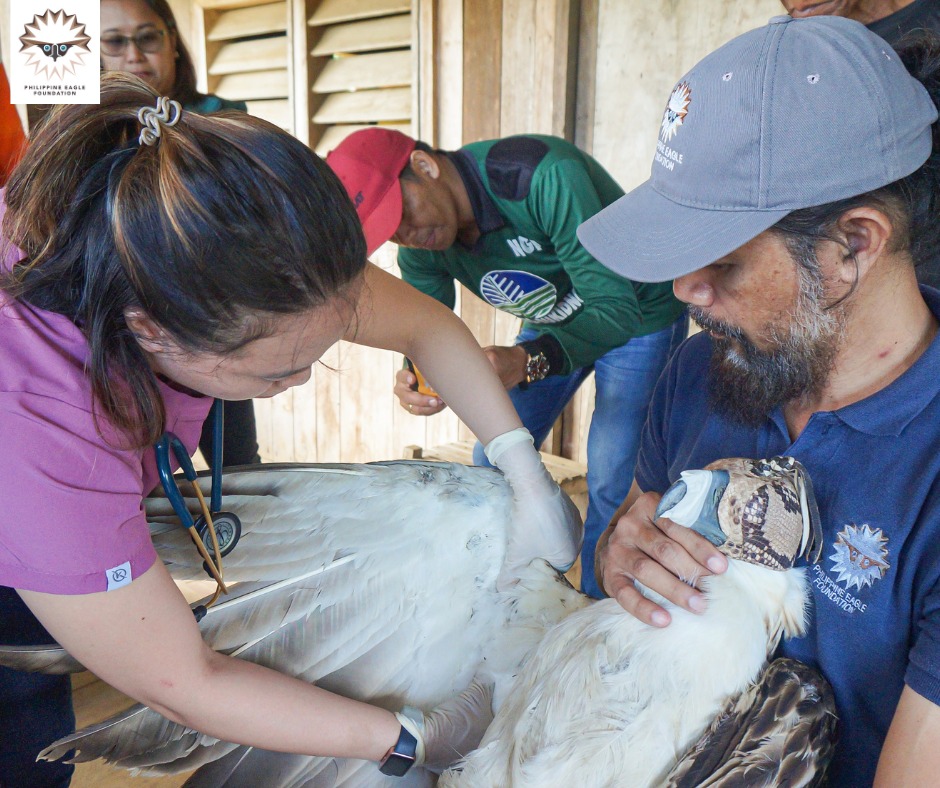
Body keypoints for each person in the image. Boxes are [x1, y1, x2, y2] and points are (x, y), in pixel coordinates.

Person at [0, 74, 581, 785]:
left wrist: (519, 462)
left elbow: (429, 325)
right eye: (274, 375)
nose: (301, 381)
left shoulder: (216, 249)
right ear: (152, 332)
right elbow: (180, 681)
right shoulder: (39, 427)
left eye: (318, 354)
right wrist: (407, 739)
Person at [579, 15, 940, 785]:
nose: (684, 289)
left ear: (853, 244)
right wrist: (622, 558)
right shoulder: (698, 371)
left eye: (724, 262)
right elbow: (634, 528)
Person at [326, 129, 687, 599]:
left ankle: (596, 614)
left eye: (404, 214)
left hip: (637, 314)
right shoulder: (421, 247)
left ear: (425, 166)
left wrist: (526, 360)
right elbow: (419, 329)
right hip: (554, 319)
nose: (407, 235)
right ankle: (504, 598)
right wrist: (415, 373)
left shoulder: (540, 178)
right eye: (391, 231)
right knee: (491, 460)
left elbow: (614, 311)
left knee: (612, 478)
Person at [101, 0, 256, 468]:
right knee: (140, 473)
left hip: (215, 320)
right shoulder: (83, 132)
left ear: (172, 41)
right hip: (120, 334)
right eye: (114, 42)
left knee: (238, 465)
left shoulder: (223, 121)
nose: (134, 56)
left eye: (148, 37)